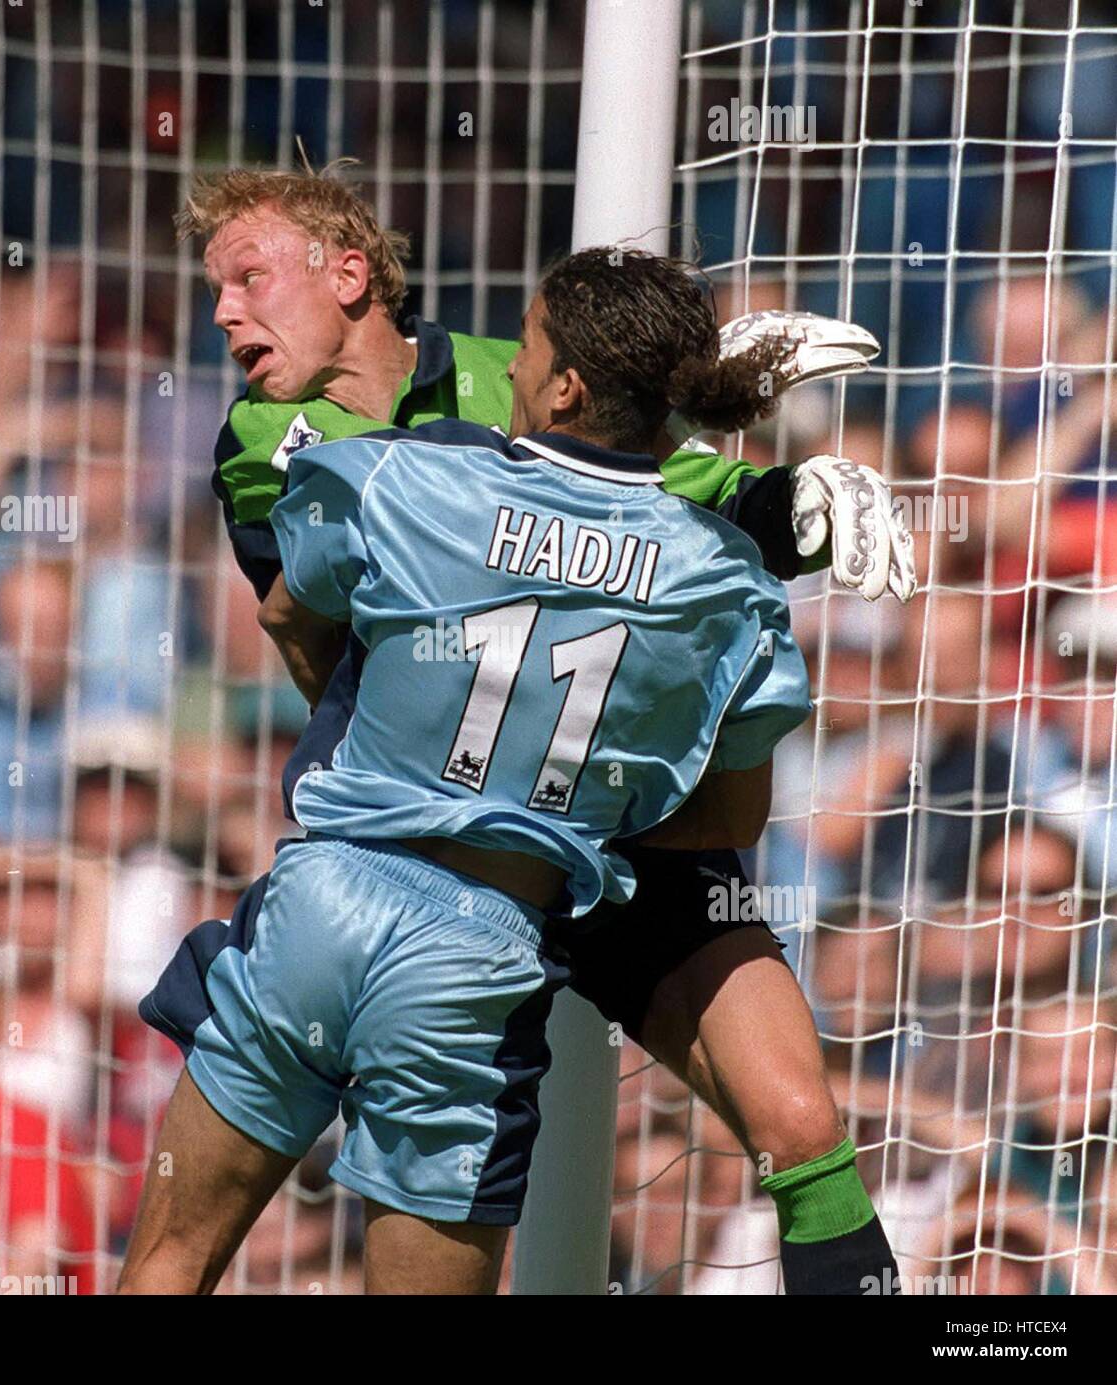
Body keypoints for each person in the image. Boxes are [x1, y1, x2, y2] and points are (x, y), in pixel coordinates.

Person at [120, 246, 894, 1295]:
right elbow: (730, 815)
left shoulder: (408, 470)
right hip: (484, 946)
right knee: (800, 1130)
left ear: (565, 384)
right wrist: (578, 799)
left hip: (324, 896)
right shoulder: (725, 584)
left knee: (168, 1259)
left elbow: (295, 602)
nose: (510, 367)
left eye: (523, 347)